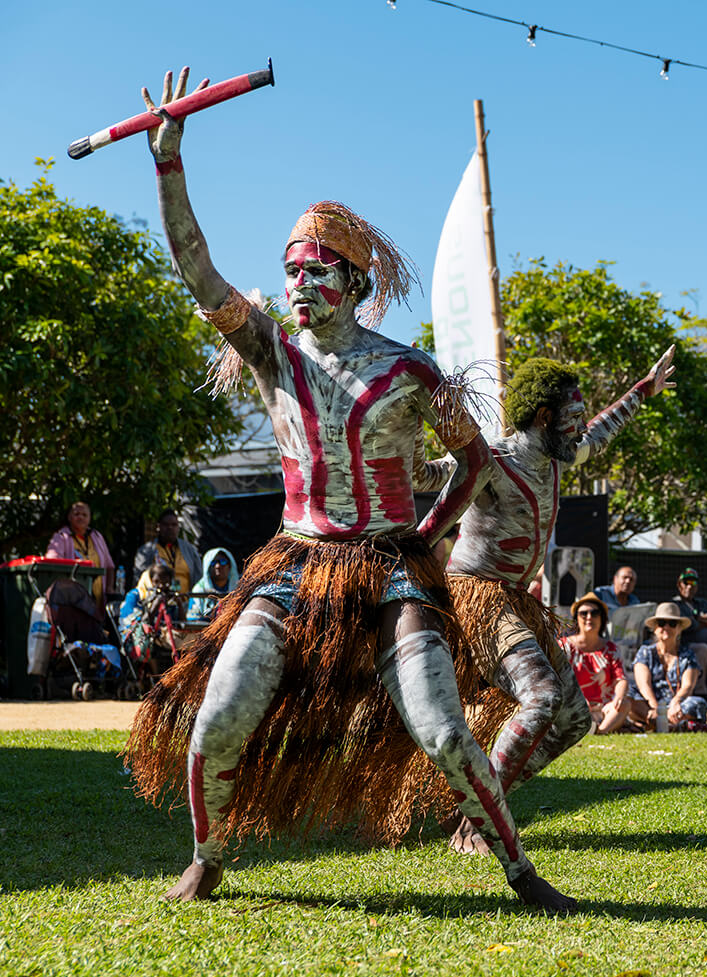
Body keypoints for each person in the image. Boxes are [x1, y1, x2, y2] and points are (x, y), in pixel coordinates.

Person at [119, 72, 549, 907]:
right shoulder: (273, 354)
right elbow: (199, 272)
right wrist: (169, 165)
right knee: (217, 721)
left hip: (390, 569)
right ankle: (207, 858)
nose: (298, 286)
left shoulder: (411, 372)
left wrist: (427, 533)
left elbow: (474, 463)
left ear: (354, 284)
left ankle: (521, 873)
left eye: (317, 272)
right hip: (292, 565)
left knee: (441, 729)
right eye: (289, 272)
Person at [419, 350, 675, 865]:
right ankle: (480, 816)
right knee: (541, 696)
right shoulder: (491, 458)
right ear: (543, 419)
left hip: (518, 603)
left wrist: (642, 391)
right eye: (572, 420)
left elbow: (600, 431)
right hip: (478, 598)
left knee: (575, 718)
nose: (580, 430)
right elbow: (428, 475)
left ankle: (478, 799)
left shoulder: (560, 455)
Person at [631, 602, 707, 731]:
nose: (666, 627)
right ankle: (670, 724)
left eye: (672, 623)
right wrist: (655, 709)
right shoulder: (645, 651)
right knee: (627, 694)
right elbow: (643, 685)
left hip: (677, 706)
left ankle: (654, 724)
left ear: (679, 629)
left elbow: (688, 686)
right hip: (649, 704)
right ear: (655, 628)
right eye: (661, 623)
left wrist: (675, 702)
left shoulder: (687, 655)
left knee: (699, 703)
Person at [561, 595, 626, 727]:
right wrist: (577, 700)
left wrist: (619, 697)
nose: (589, 617)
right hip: (573, 706)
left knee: (625, 704)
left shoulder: (611, 649)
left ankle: (599, 731)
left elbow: (621, 679)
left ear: (602, 619)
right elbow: (556, 679)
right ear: (576, 618)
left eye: (595, 613)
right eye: (584, 613)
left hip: (604, 710)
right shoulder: (563, 646)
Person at [46, 501, 116, 606]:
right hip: (72, 602)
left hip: (98, 602)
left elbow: (109, 566)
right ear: (69, 517)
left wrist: (109, 588)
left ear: (90, 518)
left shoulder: (97, 537)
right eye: (76, 514)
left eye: (84, 515)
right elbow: (52, 563)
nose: (81, 517)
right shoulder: (61, 537)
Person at [133, 509, 203, 598]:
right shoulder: (147, 551)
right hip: (157, 603)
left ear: (178, 527)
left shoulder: (189, 549)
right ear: (158, 527)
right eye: (166, 525)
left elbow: (198, 578)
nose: (170, 528)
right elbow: (140, 579)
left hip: (186, 602)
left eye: (174, 525)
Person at [671, 567, 707, 668]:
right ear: (679, 585)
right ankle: (700, 684)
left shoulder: (702, 603)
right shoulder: (674, 605)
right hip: (687, 647)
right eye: (686, 582)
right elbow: (686, 625)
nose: (689, 586)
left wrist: (698, 619)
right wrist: (706, 622)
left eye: (693, 583)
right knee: (703, 649)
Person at [186, 548, 240, 622]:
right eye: (213, 562)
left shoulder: (238, 589)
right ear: (207, 567)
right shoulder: (199, 590)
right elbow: (193, 620)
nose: (218, 566)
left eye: (223, 562)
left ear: (230, 566)